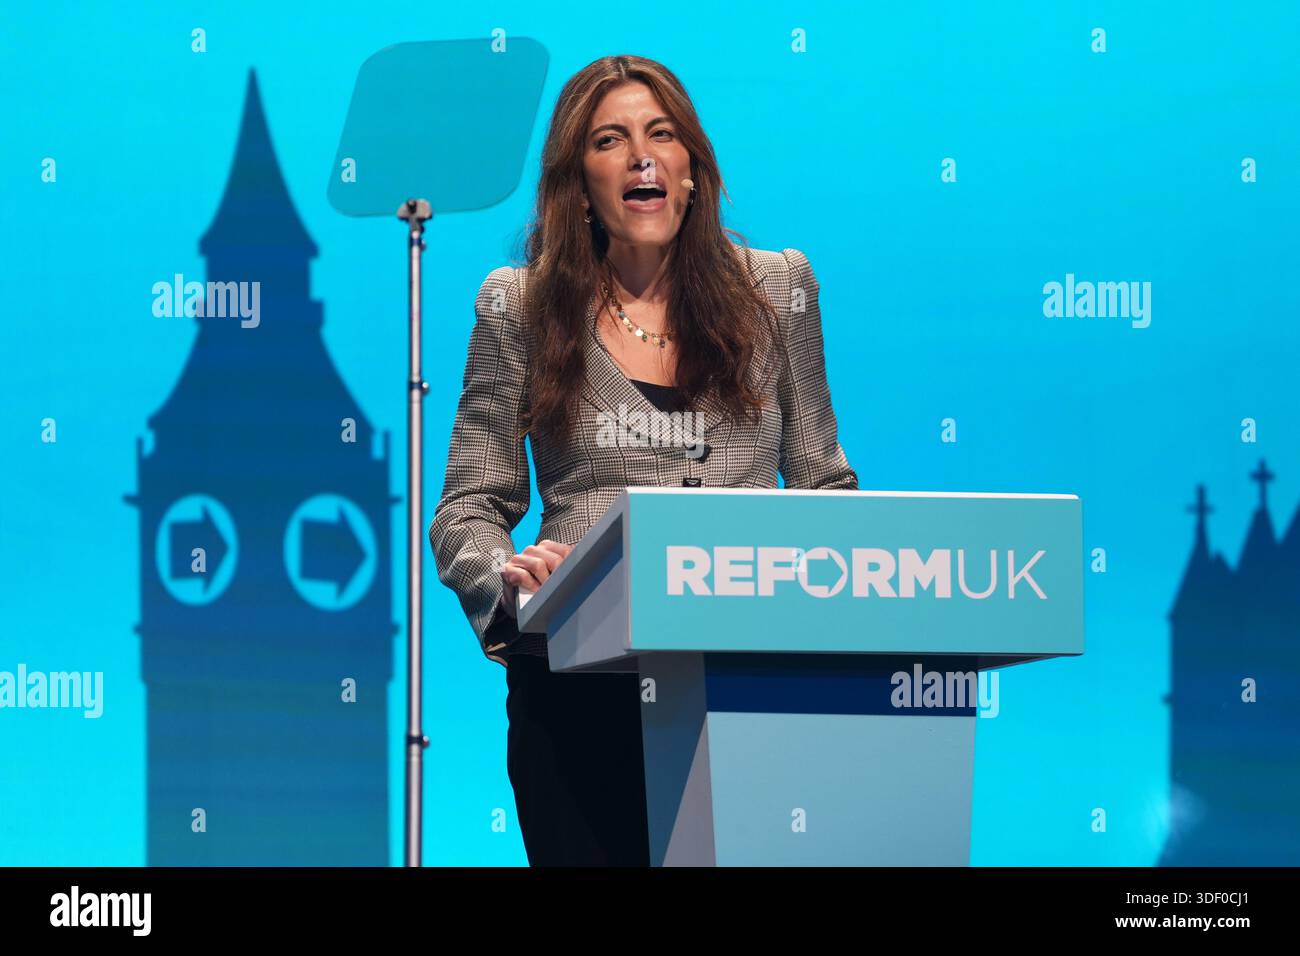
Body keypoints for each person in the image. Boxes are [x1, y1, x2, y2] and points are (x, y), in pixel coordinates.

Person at [428, 54, 858, 866]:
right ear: (577, 183)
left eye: (662, 136)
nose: (642, 158)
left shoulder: (778, 290)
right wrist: (506, 585)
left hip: (751, 683)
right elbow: (466, 506)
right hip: (580, 685)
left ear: (693, 170)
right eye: (610, 141)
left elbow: (824, 482)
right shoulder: (517, 306)